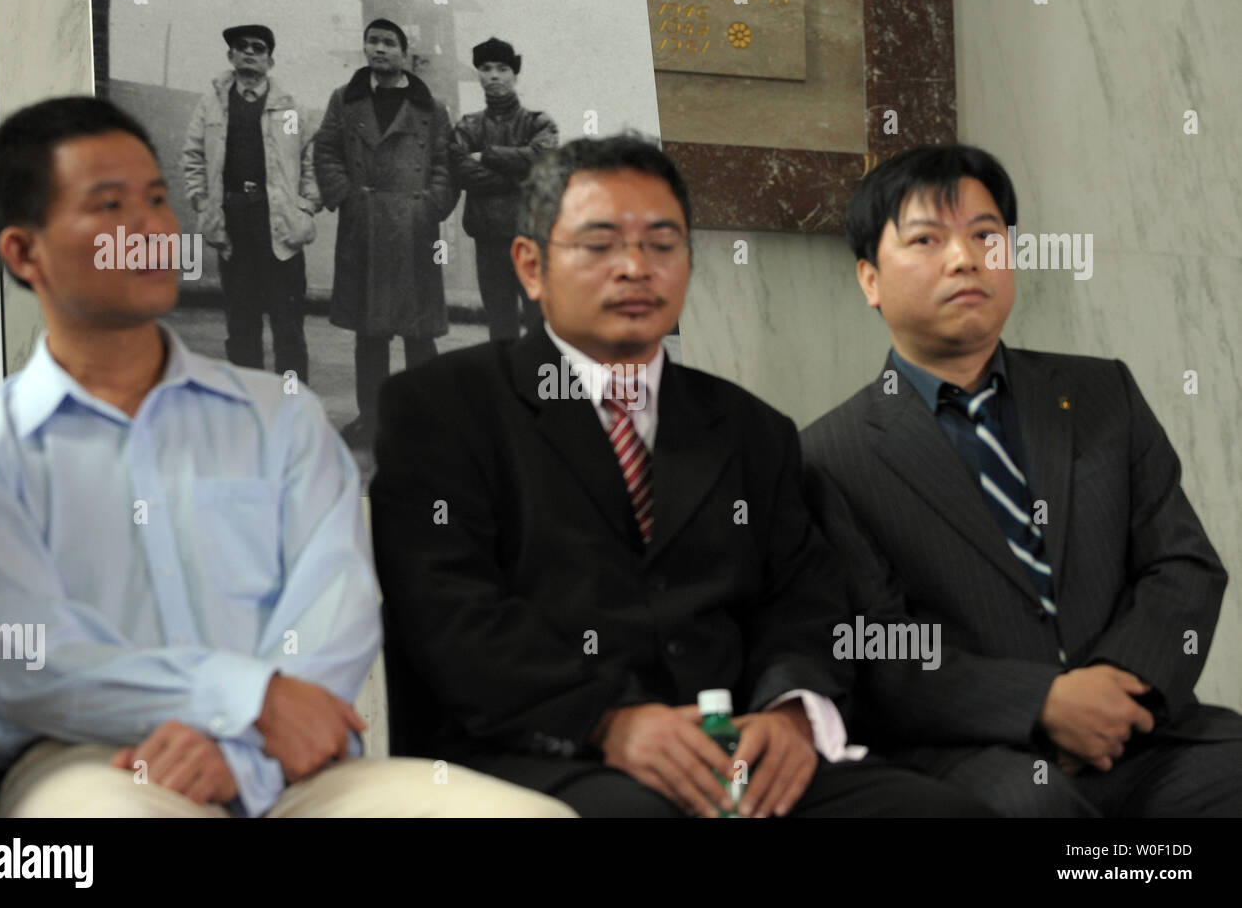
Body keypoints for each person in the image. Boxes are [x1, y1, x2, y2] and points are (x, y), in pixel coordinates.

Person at [0, 95, 572, 817]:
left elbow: (336, 606)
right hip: (93, 760)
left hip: (297, 761)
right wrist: (248, 699)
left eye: (156, 198)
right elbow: (32, 664)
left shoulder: (280, 418)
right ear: (24, 251)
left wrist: (247, 745)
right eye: (110, 205)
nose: (151, 228)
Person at [370, 134, 992, 818]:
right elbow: (449, 613)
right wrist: (611, 720)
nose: (636, 268)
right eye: (599, 244)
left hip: (731, 755)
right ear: (531, 266)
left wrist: (789, 711)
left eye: (663, 244)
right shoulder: (441, 408)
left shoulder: (753, 428)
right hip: (535, 754)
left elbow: (802, 600)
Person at [799, 143, 1242, 816]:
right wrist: (1044, 704)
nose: (965, 258)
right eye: (926, 238)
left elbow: (1183, 566)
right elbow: (875, 646)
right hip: (971, 755)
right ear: (870, 280)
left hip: (1142, 731)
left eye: (985, 235)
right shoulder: (828, 456)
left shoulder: (1101, 393)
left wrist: (1118, 690)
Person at [314, 18, 458, 450]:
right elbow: (325, 150)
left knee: (419, 334)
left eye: (388, 43)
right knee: (369, 332)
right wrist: (347, 197)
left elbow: (444, 163)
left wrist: (430, 205)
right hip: (366, 226)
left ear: (404, 51)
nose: (379, 49)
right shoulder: (344, 100)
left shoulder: (430, 107)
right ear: (365, 48)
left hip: (414, 228)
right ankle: (371, 419)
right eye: (372, 41)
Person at [181, 24, 319, 382]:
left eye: (258, 48)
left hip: (278, 227)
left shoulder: (289, 108)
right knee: (241, 325)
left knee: (287, 326)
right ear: (230, 56)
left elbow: (311, 159)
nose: (249, 53)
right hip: (233, 225)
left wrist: (306, 205)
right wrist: (201, 201)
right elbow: (193, 155)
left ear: (270, 60)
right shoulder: (211, 103)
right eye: (241, 47)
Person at [449, 37, 558, 341]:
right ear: (478, 75)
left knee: (541, 324)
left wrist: (487, 155)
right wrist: (517, 178)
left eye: (502, 68)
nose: (494, 75)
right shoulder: (468, 126)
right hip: (489, 241)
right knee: (500, 326)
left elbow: (543, 159)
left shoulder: (539, 123)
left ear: (515, 74)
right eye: (486, 68)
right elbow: (461, 171)